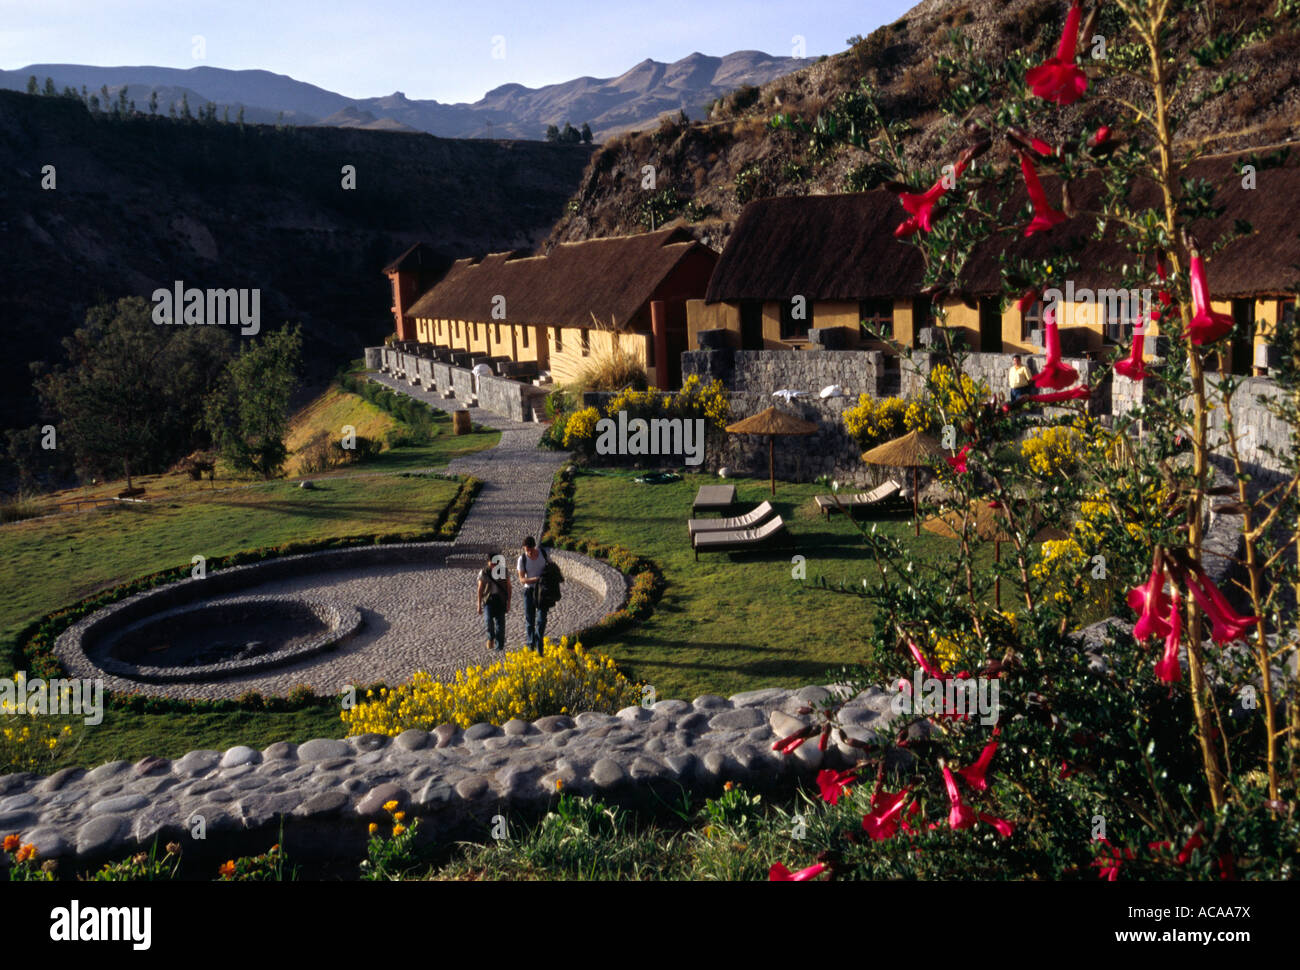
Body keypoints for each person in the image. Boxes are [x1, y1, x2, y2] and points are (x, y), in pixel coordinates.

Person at [517, 536, 551, 653]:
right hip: (529, 591)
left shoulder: (542, 554)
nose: (528, 553)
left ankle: (538, 639)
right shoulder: (522, 559)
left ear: (534, 547)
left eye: (529, 550)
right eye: (526, 550)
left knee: (542, 619)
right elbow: (521, 579)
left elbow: (551, 567)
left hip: (543, 591)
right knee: (530, 621)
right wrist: (535, 579)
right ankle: (531, 646)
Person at [476, 552, 511, 652]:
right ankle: (490, 637)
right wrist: (478, 604)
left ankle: (499, 647)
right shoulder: (484, 572)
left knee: (500, 625)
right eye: (491, 564)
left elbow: (509, 587)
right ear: (488, 562)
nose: (493, 566)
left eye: (495, 564)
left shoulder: (504, 571)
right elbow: (480, 588)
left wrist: (508, 602)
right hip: (488, 600)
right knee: (488, 621)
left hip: (500, 600)